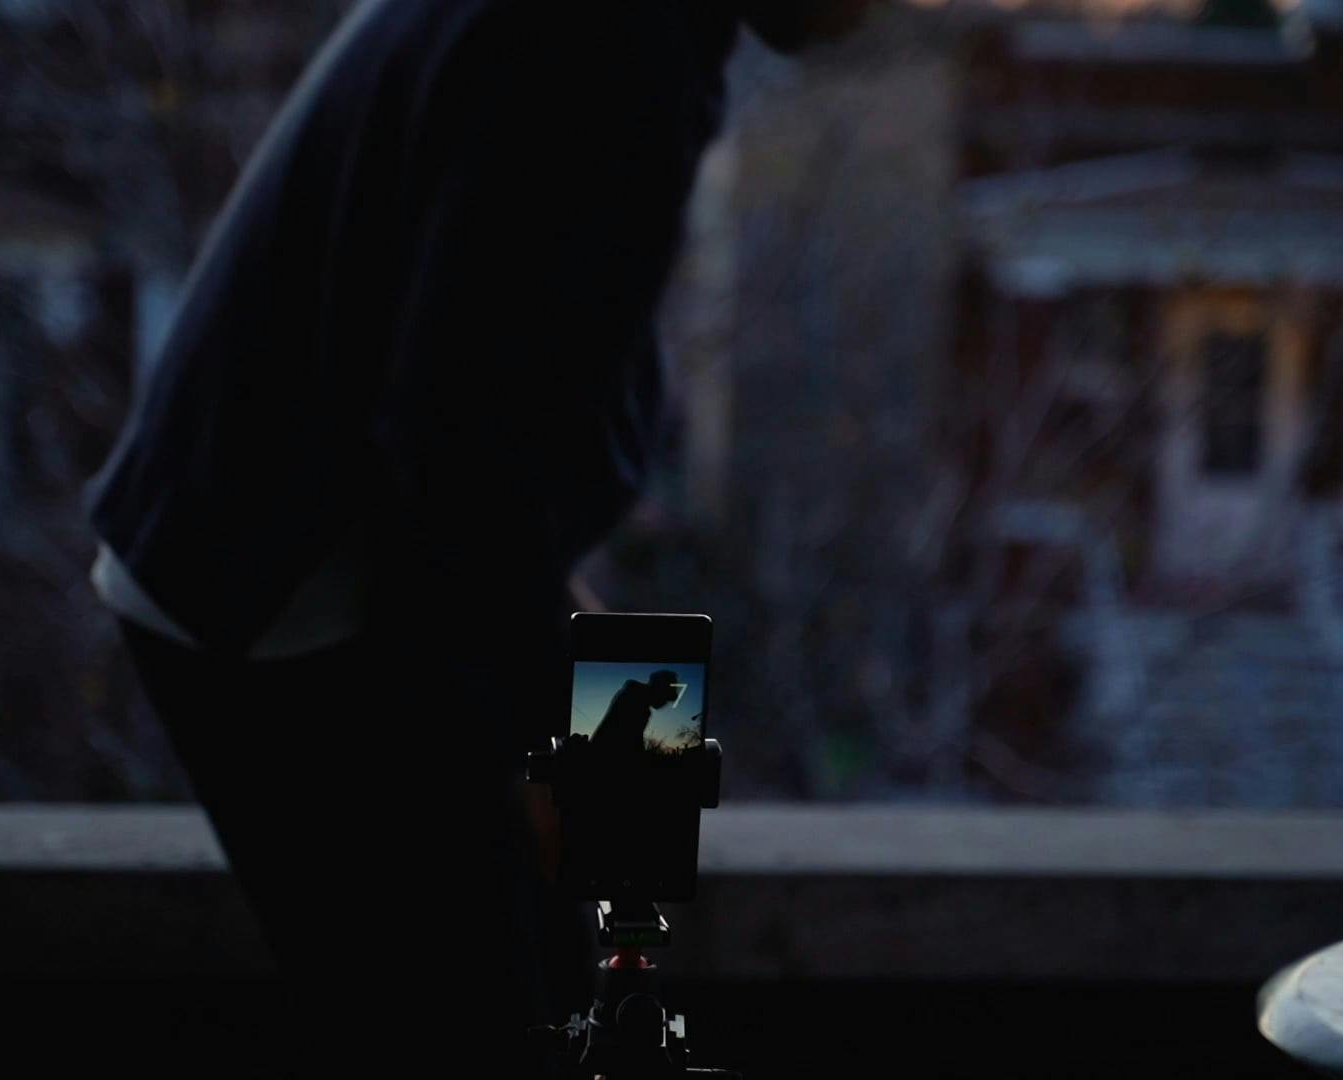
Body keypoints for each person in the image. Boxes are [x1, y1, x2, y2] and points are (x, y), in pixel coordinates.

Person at [82, 0, 869, 1074]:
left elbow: (494, 424)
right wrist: (596, 748)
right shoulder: (609, 54)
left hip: (256, 547)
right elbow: (456, 487)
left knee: (558, 986)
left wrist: (602, 710)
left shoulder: (623, 43)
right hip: (277, 591)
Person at [590, 670, 682, 758]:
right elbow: (630, 740)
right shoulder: (635, 700)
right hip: (604, 753)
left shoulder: (637, 697)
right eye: (666, 697)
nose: (665, 704)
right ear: (660, 690)